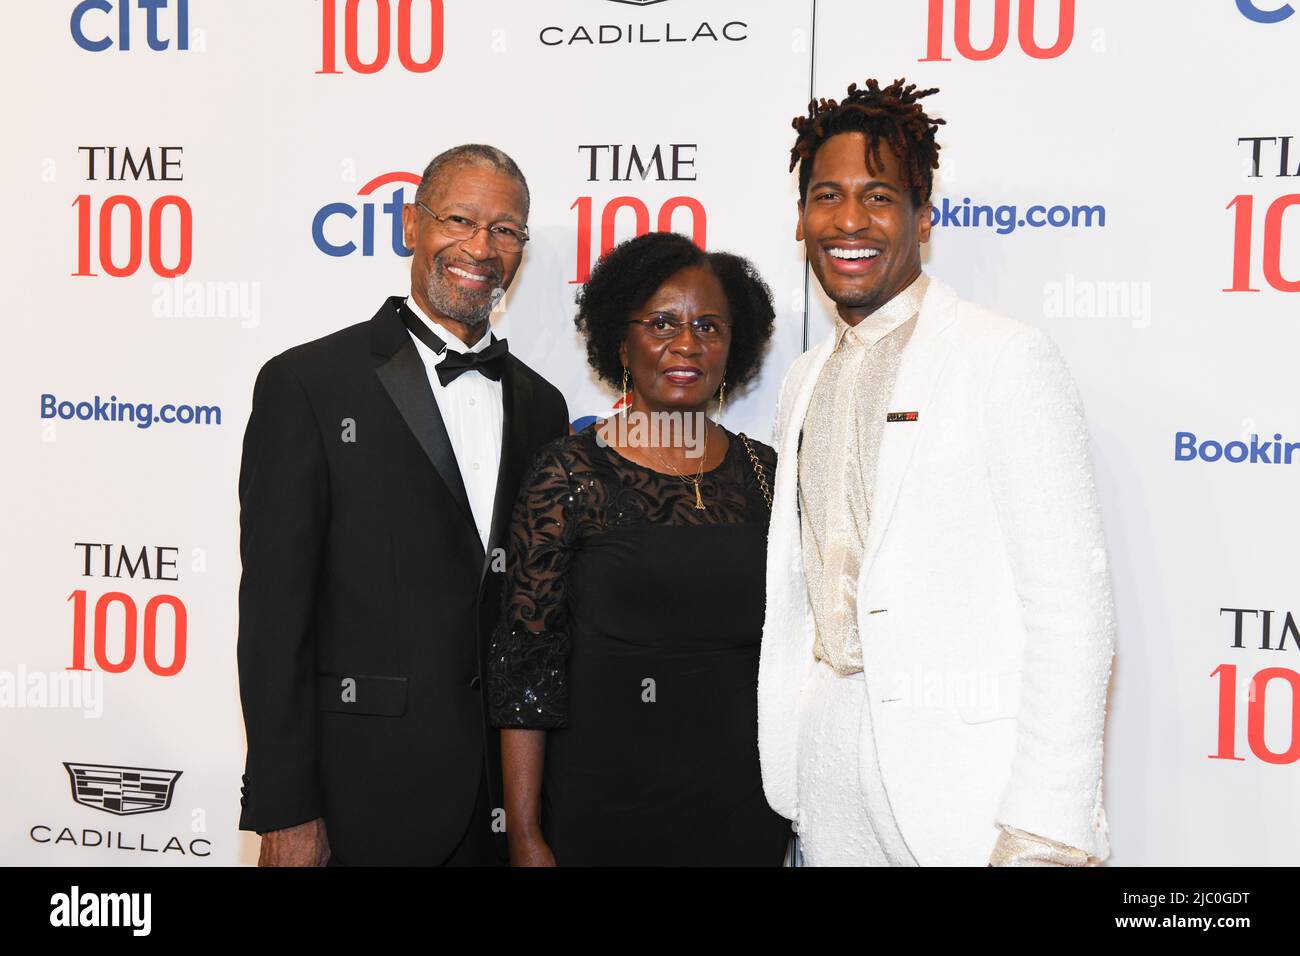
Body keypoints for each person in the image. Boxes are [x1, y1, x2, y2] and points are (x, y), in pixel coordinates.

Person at [757, 79, 1115, 866]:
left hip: (965, 786)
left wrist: (1047, 825)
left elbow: (1072, 610)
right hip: (822, 761)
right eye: (827, 196)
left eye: (878, 196)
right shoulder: (802, 378)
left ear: (923, 216)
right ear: (801, 218)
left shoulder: (1003, 358)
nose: (848, 221)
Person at [236, 144, 569, 866]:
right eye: (459, 219)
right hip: (360, 799)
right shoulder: (309, 384)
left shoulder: (544, 406)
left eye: (506, 230)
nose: (481, 247)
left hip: (499, 803)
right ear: (411, 225)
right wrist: (286, 811)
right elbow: (273, 619)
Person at [487, 231, 789, 866]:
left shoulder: (766, 473)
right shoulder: (568, 475)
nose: (687, 344)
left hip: (742, 812)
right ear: (621, 341)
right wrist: (524, 832)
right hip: (602, 812)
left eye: (709, 325)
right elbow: (526, 667)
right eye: (662, 323)